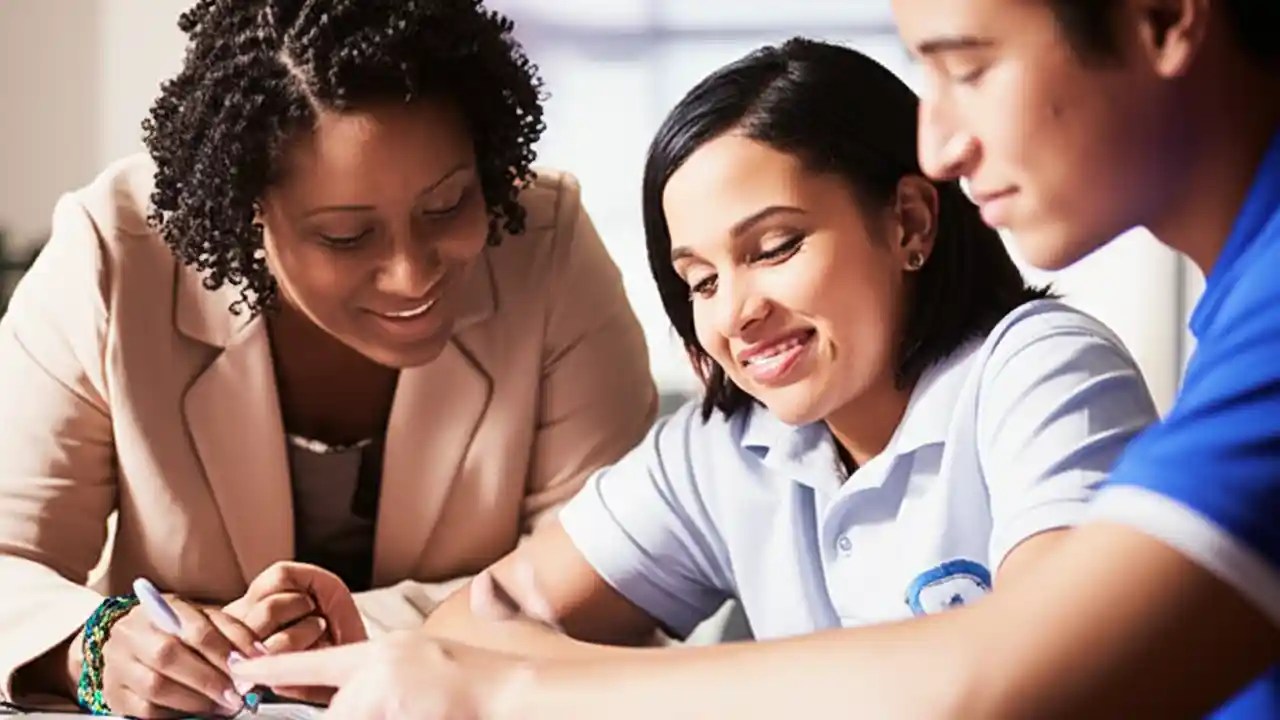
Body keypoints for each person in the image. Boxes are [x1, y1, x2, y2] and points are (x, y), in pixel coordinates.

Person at [236, 0, 1280, 717]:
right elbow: (494, 620)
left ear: (910, 226)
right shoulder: (729, 446)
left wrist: (520, 689)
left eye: (775, 247)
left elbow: (1029, 680)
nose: (942, 141)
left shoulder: (1043, 366)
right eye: (697, 280)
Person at [0, 0, 656, 716]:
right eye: (345, 236)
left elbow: (612, 574)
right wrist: (92, 647)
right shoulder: (113, 254)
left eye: (447, 206)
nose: (411, 275)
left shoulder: (548, 246)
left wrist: (329, 642)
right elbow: (9, 562)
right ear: (246, 212)